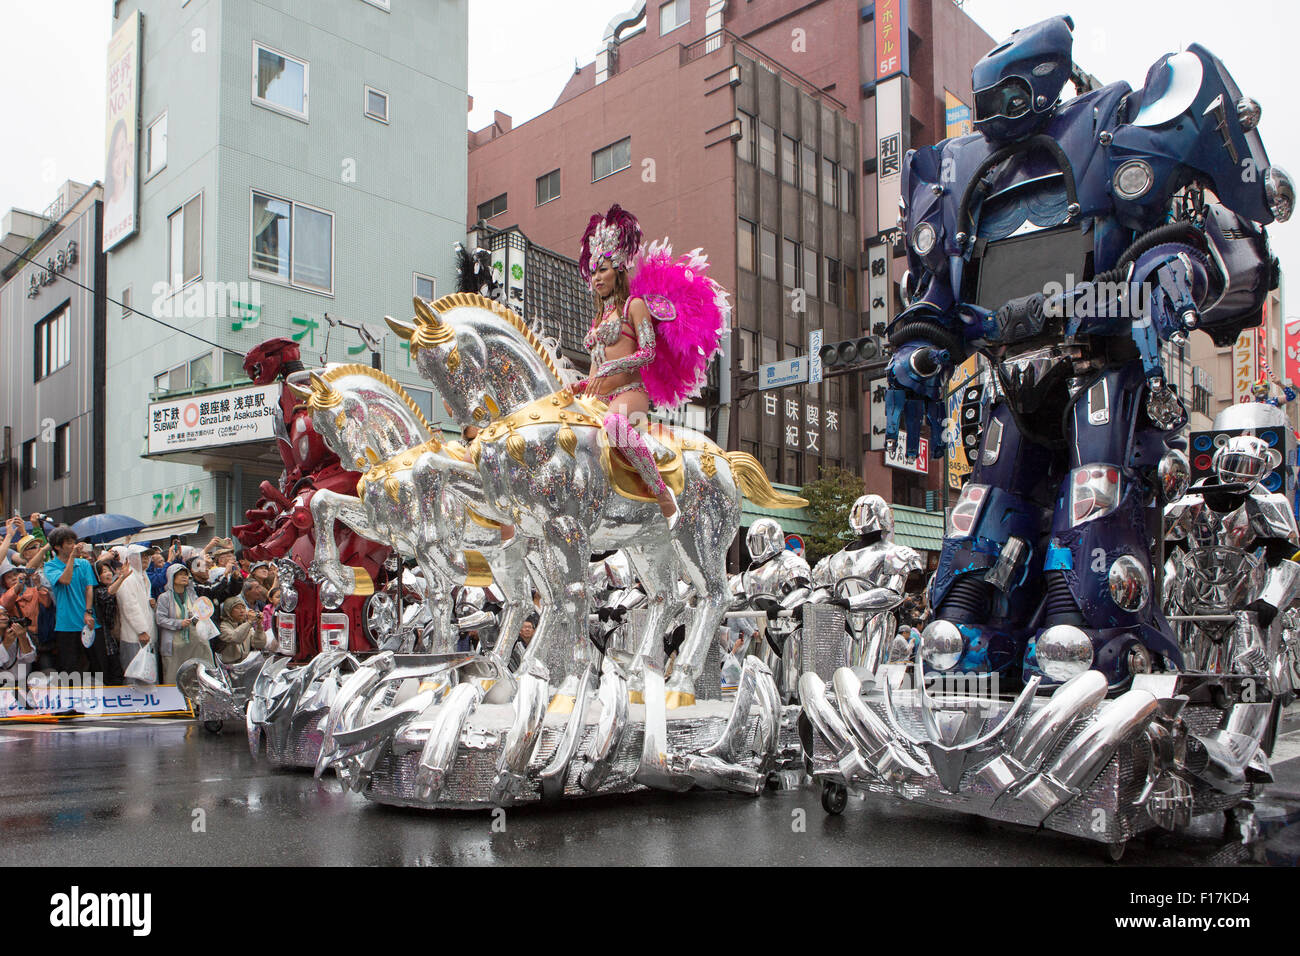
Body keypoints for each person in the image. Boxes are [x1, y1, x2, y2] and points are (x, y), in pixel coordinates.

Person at [573, 204, 727, 527]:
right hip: (598, 398)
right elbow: (595, 369)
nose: (597, 277)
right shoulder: (598, 318)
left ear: (617, 269)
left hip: (630, 393)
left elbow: (648, 352)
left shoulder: (635, 305)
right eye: (593, 270)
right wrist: (578, 387)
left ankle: (661, 493)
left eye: (603, 269)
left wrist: (612, 370)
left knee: (615, 426)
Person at [43, 526, 103, 674]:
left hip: (88, 623)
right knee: (72, 670)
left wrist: (88, 611)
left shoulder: (83, 564)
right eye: (69, 543)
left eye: (74, 542)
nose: (74, 545)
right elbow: (65, 579)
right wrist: (71, 558)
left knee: (98, 666)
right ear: (57, 546)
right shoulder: (50, 566)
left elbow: (89, 588)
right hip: (66, 625)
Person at [154, 565, 214, 682]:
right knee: (173, 675)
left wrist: (197, 616)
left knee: (199, 672)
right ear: (172, 577)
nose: (184, 577)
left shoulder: (192, 595)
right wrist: (178, 623)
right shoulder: (164, 597)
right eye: (180, 574)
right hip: (175, 643)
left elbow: (201, 615)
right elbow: (160, 619)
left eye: (185, 574)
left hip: (195, 640)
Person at [112, 546, 156, 675]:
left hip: (147, 635)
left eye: (147, 556)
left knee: (147, 673)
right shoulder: (128, 578)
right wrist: (141, 630)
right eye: (142, 556)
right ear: (131, 558)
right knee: (135, 673)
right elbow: (130, 606)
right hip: (134, 635)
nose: (145, 559)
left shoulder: (144, 576)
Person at [92, 555, 131, 683]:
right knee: (111, 673)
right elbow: (109, 593)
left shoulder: (113, 586)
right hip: (104, 639)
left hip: (115, 637)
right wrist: (122, 577)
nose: (108, 574)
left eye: (109, 570)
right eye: (103, 572)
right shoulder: (97, 591)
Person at [215, 596, 272, 665]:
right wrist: (249, 622)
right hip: (227, 666)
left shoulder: (246, 625)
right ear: (228, 611)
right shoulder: (223, 626)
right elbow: (235, 638)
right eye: (237, 608)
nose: (242, 611)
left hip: (245, 664)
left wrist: (259, 626)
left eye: (243, 608)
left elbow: (259, 644)